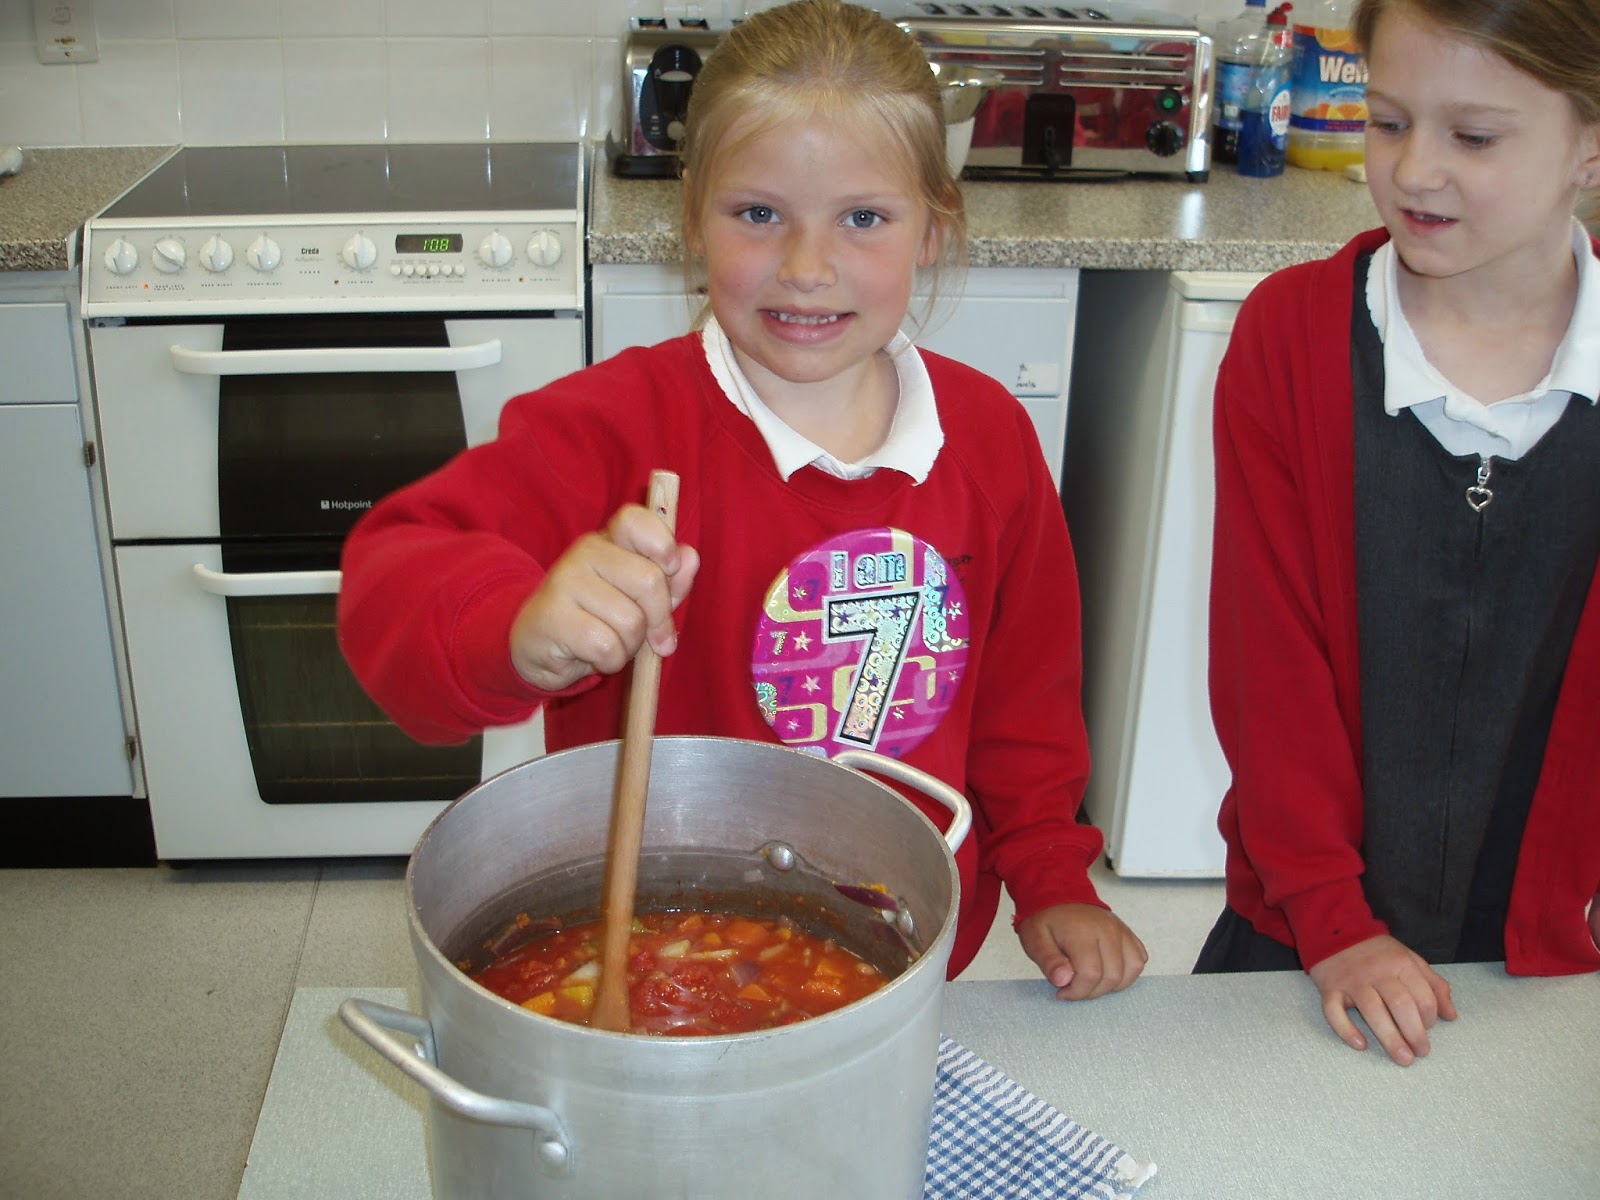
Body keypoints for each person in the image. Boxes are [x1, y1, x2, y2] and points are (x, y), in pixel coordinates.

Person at [337, 0, 1146, 999]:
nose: (807, 268)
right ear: (693, 218)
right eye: (758, 214)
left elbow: (1026, 706)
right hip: (643, 951)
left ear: (933, 228)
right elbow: (392, 573)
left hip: (905, 960)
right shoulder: (609, 431)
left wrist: (1051, 877)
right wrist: (514, 628)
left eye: (863, 218)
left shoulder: (989, 441)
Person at [1198, 0, 1600, 1065]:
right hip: (1299, 941)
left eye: (1473, 137)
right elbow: (1264, 666)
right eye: (1385, 121)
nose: (1415, 170)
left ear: (1591, 146)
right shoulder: (1289, 336)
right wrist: (1335, 923)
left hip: (1559, 962)